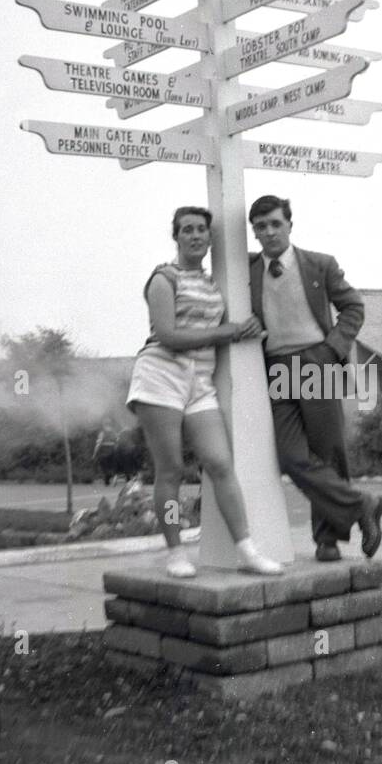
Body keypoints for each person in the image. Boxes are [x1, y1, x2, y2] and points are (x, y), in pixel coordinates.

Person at [126, 206, 283, 578]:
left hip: (201, 381)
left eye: (201, 230)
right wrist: (225, 332)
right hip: (161, 375)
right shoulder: (163, 278)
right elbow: (167, 335)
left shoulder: (214, 282)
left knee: (219, 463)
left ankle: (247, 549)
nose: (196, 236)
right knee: (171, 469)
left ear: (210, 239)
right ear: (176, 236)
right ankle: (176, 552)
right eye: (187, 230)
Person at [248, 194, 382, 561]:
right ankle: (363, 504)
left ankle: (327, 540)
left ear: (290, 225)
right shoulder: (246, 271)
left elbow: (353, 306)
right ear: (255, 233)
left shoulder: (319, 265)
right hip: (275, 366)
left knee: (328, 451)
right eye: (261, 227)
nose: (269, 231)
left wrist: (331, 349)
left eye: (276, 223)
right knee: (290, 456)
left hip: (315, 360)